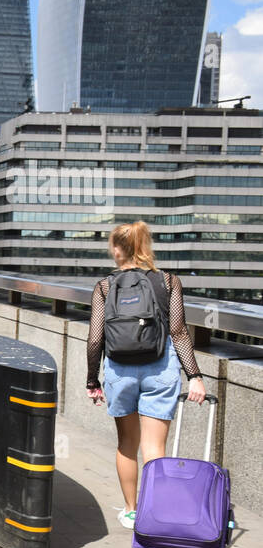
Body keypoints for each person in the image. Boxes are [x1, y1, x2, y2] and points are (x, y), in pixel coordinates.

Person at [86, 221, 206, 530]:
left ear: (116, 249)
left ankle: (130, 511)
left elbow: (96, 339)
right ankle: (154, 513)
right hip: (160, 367)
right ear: (145, 245)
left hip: (119, 370)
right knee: (155, 449)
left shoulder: (104, 286)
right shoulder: (168, 281)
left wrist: (92, 381)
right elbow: (178, 331)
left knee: (127, 443)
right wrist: (194, 375)